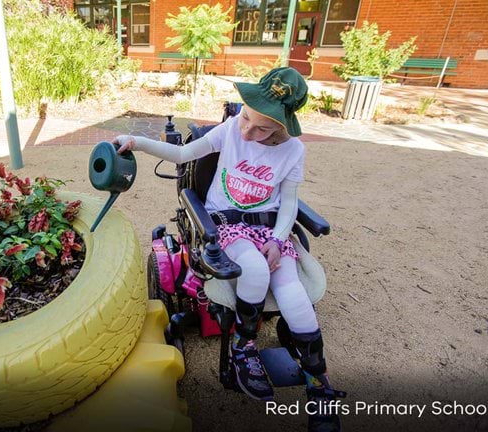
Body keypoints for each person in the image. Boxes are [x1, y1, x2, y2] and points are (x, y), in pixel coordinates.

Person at [113, 67, 343, 432]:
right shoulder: (232, 128)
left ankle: (319, 384)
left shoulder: (293, 151)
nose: (248, 130)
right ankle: (243, 346)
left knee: (295, 296)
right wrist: (136, 142)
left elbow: (288, 201)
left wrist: (278, 240)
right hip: (225, 225)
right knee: (254, 270)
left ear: (282, 126)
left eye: (262, 128)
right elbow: (182, 153)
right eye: (247, 117)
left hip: (269, 230)